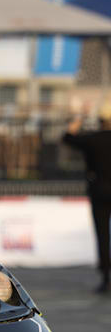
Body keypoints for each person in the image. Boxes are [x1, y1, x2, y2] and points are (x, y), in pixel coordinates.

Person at [62, 112, 111, 294]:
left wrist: (77, 119)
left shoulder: (93, 139)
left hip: (99, 191)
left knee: (103, 235)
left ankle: (107, 278)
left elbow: (67, 137)